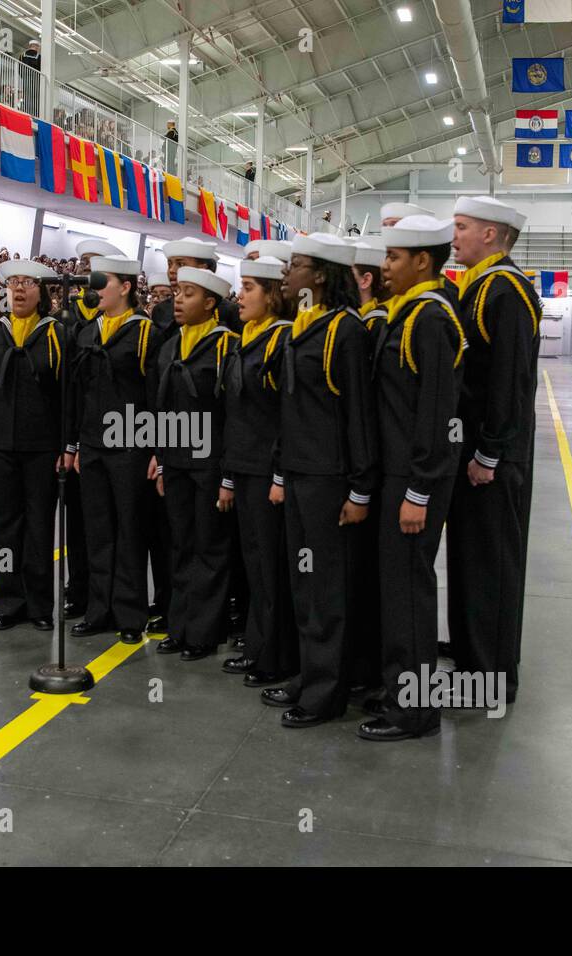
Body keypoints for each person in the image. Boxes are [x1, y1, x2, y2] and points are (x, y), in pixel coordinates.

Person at [261, 233, 374, 728]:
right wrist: (282, 469)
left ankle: (327, 691)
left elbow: (358, 414)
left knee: (327, 588)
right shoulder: (300, 326)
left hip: (330, 479)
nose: (288, 275)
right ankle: (311, 674)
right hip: (300, 473)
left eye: (298, 266)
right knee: (304, 584)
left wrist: (359, 488)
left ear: (323, 275)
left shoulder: (344, 330)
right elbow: (288, 409)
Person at [359, 215, 464, 743]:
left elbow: (438, 412)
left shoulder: (430, 319)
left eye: (393, 258)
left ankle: (416, 710)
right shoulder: (405, 314)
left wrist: (419, 490)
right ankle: (399, 689)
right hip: (399, 474)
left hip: (417, 478)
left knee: (409, 591)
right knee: (395, 589)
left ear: (423, 261)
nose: (384, 267)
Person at [446, 196, 539, 708]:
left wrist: (490, 453)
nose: (453, 235)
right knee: (469, 559)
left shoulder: (505, 291)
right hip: (473, 452)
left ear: (490, 234)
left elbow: (509, 380)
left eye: (461, 227)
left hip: (493, 459)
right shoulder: (480, 285)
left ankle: (492, 677)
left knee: (492, 565)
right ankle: (470, 656)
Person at [0, 259, 66, 632]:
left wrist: (64, 445)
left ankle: (39, 604)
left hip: (42, 449)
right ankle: (8, 601)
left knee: (40, 526)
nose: (19, 289)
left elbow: (66, 396)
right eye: (14, 283)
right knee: (5, 526)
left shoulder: (56, 334)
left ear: (42, 292)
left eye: (28, 283)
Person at [150, 266, 238, 661]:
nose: (179, 300)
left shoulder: (226, 346)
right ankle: (180, 625)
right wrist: (165, 463)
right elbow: (161, 408)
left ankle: (204, 632)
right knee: (181, 545)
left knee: (210, 548)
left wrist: (228, 475)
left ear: (210, 303)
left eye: (188, 294)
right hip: (179, 461)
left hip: (211, 463)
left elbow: (234, 415)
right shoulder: (170, 347)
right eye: (178, 292)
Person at [66, 255, 154, 645]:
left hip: (131, 445)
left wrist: (156, 449)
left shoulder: (145, 333)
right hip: (95, 445)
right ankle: (99, 610)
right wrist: (79, 444)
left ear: (126, 287)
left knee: (131, 529)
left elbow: (154, 396)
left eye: (104, 281)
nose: (95, 289)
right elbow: (81, 394)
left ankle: (131, 614)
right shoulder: (88, 332)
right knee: (98, 530)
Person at [220, 256, 298, 686]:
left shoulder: (280, 341)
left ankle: (273, 656)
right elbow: (235, 413)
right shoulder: (245, 338)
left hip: (268, 470)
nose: (240, 296)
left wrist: (279, 475)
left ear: (272, 295)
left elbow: (286, 415)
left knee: (271, 567)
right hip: (245, 467)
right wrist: (230, 475)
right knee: (255, 565)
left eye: (249, 287)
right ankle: (258, 646)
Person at [151, 237, 241, 344]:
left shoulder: (230, 312)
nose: (171, 270)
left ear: (203, 269)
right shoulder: (161, 310)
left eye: (181, 264)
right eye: (169, 264)